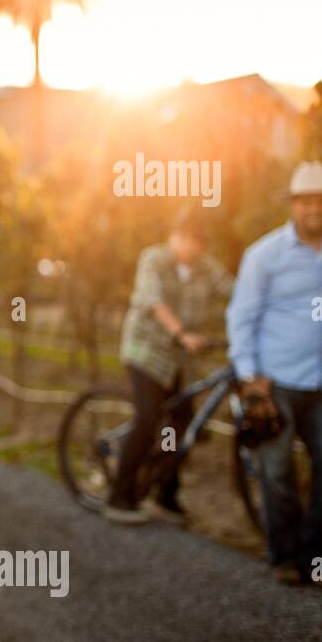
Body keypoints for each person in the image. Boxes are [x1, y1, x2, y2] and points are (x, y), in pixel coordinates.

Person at [227, 160, 322, 588]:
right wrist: (250, 376)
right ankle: (285, 558)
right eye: (306, 201)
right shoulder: (264, 255)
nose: (314, 209)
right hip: (277, 382)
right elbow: (241, 316)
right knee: (276, 471)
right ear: (293, 205)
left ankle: (318, 564)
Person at [106, 206, 234, 524]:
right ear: (173, 236)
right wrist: (181, 333)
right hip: (146, 351)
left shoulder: (207, 267)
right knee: (149, 418)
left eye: (196, 241)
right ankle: (118, 497)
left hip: (181, 362)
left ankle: (165, 494)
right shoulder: (153, 259)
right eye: (184, 238)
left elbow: (235, 292)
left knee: (182, 423)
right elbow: (153, 301)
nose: (189, 246)